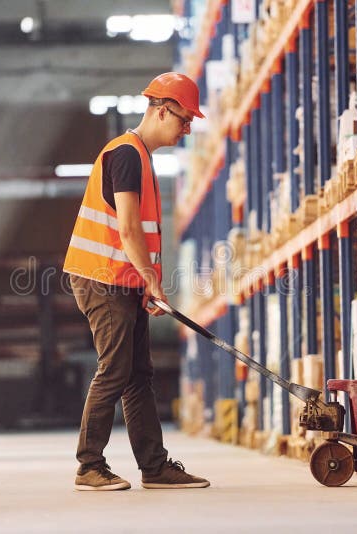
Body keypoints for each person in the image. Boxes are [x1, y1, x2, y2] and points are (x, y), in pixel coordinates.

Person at [63, 72, 210, 491]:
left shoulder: (141, 158)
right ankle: (88, 465)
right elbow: (127, 229)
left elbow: (136, 233)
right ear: (163, 110)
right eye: (184, 120)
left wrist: (146, 282)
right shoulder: (126, 155)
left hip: (122, 279)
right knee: (115, 369)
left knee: (138, 374)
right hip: (102, 277)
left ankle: (154, 466)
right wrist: (153, 281)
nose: (187, 128)